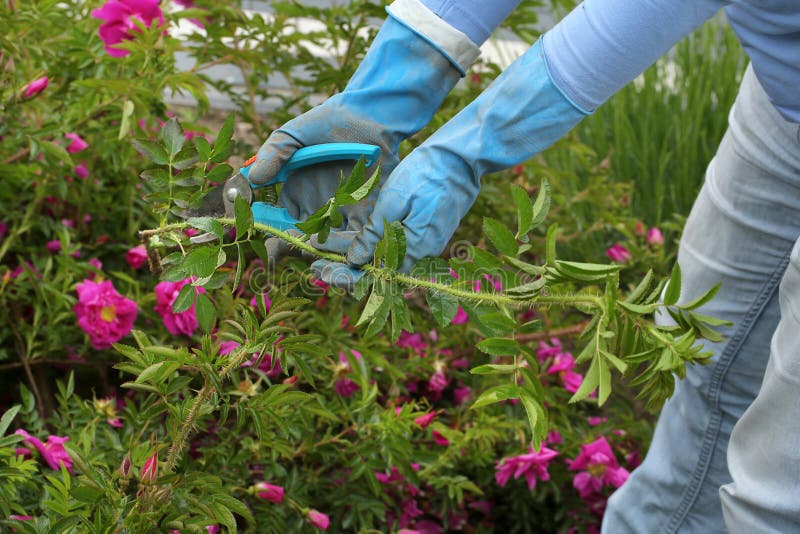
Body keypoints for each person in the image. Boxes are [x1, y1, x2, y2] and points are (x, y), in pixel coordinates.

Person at [248, 0, 800, 531]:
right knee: (702, 375)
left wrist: (465, 152)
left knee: (775, 495)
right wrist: (384, 95)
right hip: (783, 98)